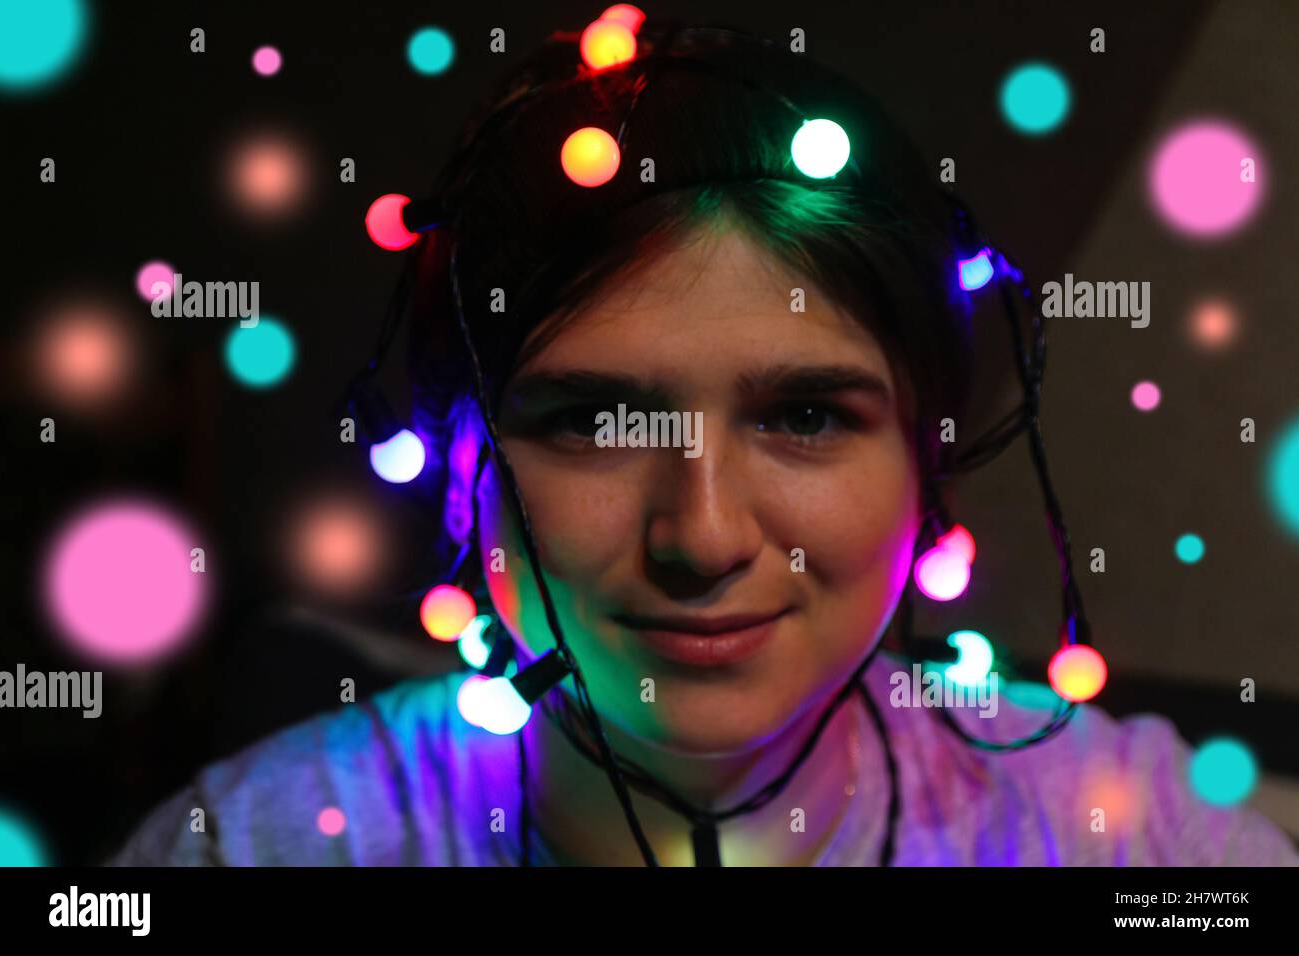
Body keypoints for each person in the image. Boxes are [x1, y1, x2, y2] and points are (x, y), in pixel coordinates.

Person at [110, 18, 1298, 867]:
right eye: (592, 420)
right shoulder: (247, 846)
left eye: (802, 417)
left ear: (921, 469)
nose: (706, 534)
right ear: (458, 461)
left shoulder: (1136, 834)